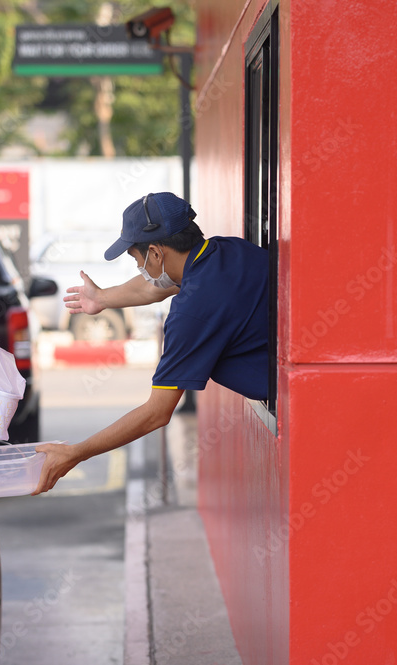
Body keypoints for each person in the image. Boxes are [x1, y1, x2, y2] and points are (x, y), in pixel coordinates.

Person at [32, 192, 269, 494]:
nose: (138, 268)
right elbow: (156, 287)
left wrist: (76, 453)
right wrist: (103, 297)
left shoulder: (191, 313)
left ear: (156, 254)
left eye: (136, 258)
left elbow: (157, 412)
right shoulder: (227, 251)